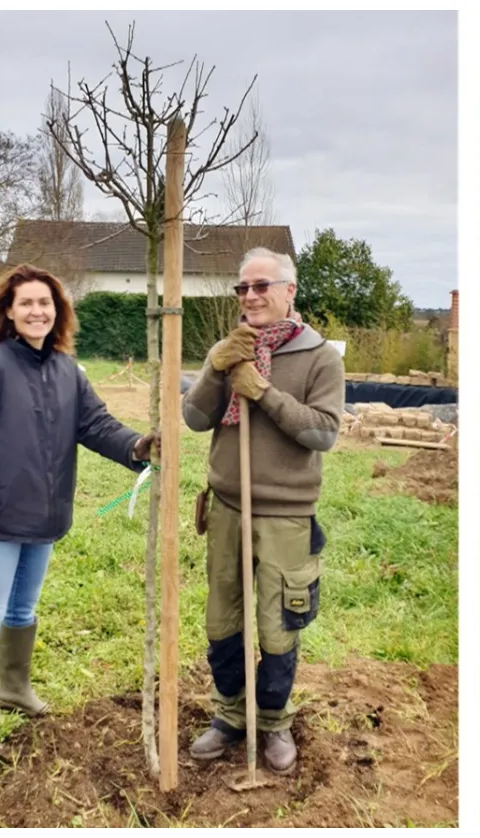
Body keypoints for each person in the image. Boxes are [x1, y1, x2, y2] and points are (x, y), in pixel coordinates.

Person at [0, 264, 157, 759]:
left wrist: (136, 445)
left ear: (58, 312)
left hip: (44, 519)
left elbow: (94, 423)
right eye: (26, 303)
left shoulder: (67, 370)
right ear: (8, 311)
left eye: (45, 303)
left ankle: (14, 689)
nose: (37, 311)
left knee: (22, 610)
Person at [183, 246, 344, 773]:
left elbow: (321, 432)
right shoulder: (228, 348)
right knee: (222, 620)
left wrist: (265, 392)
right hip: (227, 506)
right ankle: (229, 715)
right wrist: (218, 367)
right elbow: (195, 417)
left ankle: (273, 721)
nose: (249, 296)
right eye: (242, 288)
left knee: (278, 627)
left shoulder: (320, 357)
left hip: (285, 515)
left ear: (289, 291)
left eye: (261, 286)